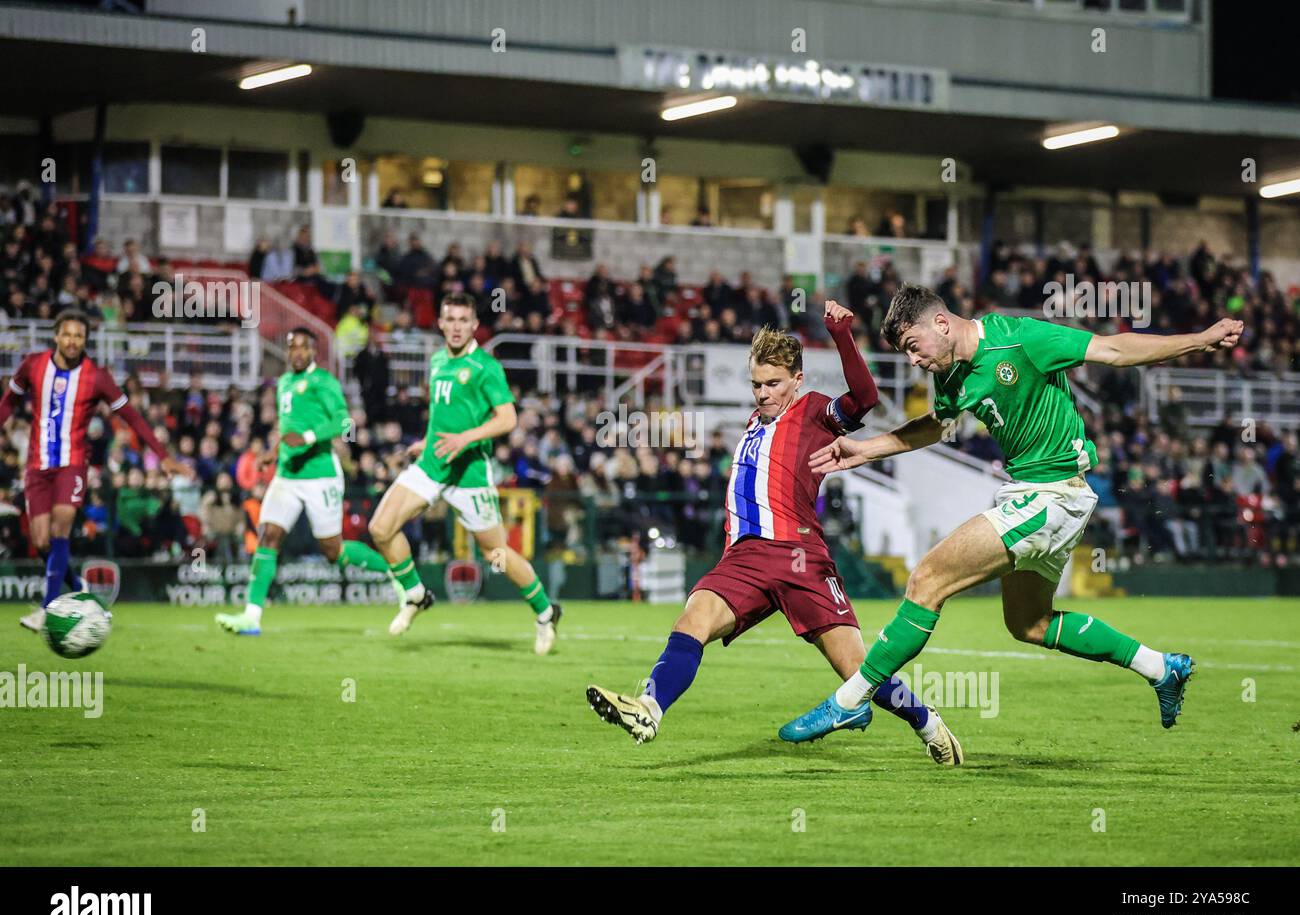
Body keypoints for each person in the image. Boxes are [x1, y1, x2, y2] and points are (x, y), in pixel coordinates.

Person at [780, 284, 1244, 742]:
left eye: (912, 347)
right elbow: (937, 426)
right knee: (1029, 624)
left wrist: (1200, 339)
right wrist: (866, 450)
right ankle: (1162, 668)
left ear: (941, 323)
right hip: (1037, 493)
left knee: (926, 581)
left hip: (1053, 494)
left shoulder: (1021, 339)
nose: (913, 361)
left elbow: (1114, 349)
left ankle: (849, 702)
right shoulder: (950, 372)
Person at [585, 301, 965, 765]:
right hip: (742, 560)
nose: (763, 393)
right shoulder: (752, 424)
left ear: (797, 380)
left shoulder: (813, 412)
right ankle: (649, 707)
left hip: (798, 555)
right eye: (756, 384)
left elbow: (864, 397)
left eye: (773, 384)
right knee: (691, 621)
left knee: (858, 671)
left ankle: (927, 722)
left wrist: (842, 334)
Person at [367, 292, 562, 652]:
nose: (456, 327)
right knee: (380, 528)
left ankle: (545, 611)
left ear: (474, 325)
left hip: (469, 471)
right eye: (450, 319)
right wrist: (426, 444)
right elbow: (441, 413)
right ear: (440, 323)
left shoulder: (486, 367)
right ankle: (415, 593)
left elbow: (507, 418)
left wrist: (464, 439)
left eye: (463, 320)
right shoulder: (438, 359)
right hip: (433, 464)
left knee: (496, 554)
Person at [0, 310, 195, 631]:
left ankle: (48, 608)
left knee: (61, 527)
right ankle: (80, 589)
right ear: (56, 336)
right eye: (67, 334)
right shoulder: (33, 365)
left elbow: (131, 416)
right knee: (41, 542)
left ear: (86, 340)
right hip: (36, 466)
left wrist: (163, 456)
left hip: (72, 464)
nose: (73, 341)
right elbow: (9, 402)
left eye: (79, 336)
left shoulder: (96, 376)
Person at [215, 329, 399, 636]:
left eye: (303, 347)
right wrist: (273, 452)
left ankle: (395, 572)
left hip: (320, 476)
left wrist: (310, 437)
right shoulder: (284, 383)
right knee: (268, 535)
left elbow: (344, 421)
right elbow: (288, 429)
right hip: (287, 475)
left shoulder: (323, 381)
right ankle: (252, 616)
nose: (297, 353)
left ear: (314, 351)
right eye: (292, 348)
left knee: (332, 551)